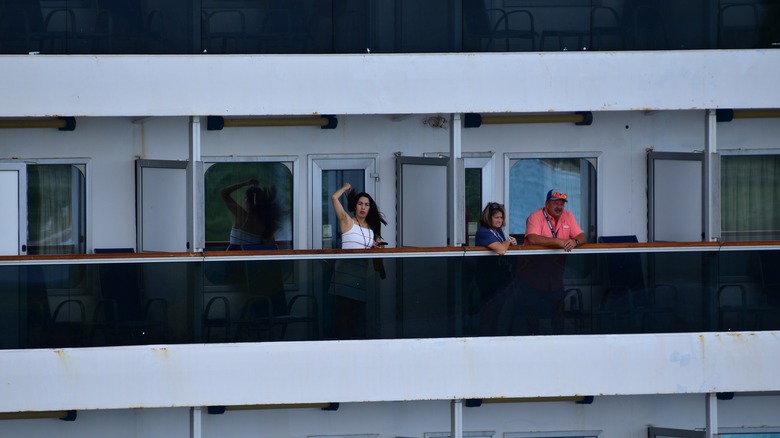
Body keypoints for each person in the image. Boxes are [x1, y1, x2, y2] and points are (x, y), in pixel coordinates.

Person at [517, 189, 587, 334]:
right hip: (532, 275)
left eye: (562, 203)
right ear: (547, 204)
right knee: (531, 315)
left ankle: (558, 344)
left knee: (558, 312)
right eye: (555, 203)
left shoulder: (568, 216)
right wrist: (559, 242)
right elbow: (533, 239)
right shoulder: (535, 216)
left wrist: (574, 241)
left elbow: (582, 236)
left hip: (555, 275)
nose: (559, 207)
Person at [329, 183, 387, 338]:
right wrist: (345, 188)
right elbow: (334, 198)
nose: (363, 207)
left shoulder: (372, 228)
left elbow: (376, 254)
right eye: (360, 204)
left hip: (361, 278)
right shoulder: (347, 222)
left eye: (366, 205)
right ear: (355, 206)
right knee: (342, 318)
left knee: (356, 319)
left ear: (370, 208)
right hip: (343, 276)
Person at [473, 202, 517, 335]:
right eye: (496, 217)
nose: (499, 220)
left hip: (501, 278)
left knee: (499, 313)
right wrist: (508, 241)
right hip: (488, 280)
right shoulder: (483, 232)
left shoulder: (497, 231)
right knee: (488, 314)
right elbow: (501, 249)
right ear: (489, 217)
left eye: (501, 218)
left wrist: (510, 242)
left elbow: (504, 245)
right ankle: (485, 339)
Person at [220, 178, 280, 249]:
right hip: (253, 259)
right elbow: (271, 247)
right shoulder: (265, 223)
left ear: (248, 202)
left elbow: (223, 193)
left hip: (234, 259)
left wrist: (245, 183)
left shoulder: (242, 216)